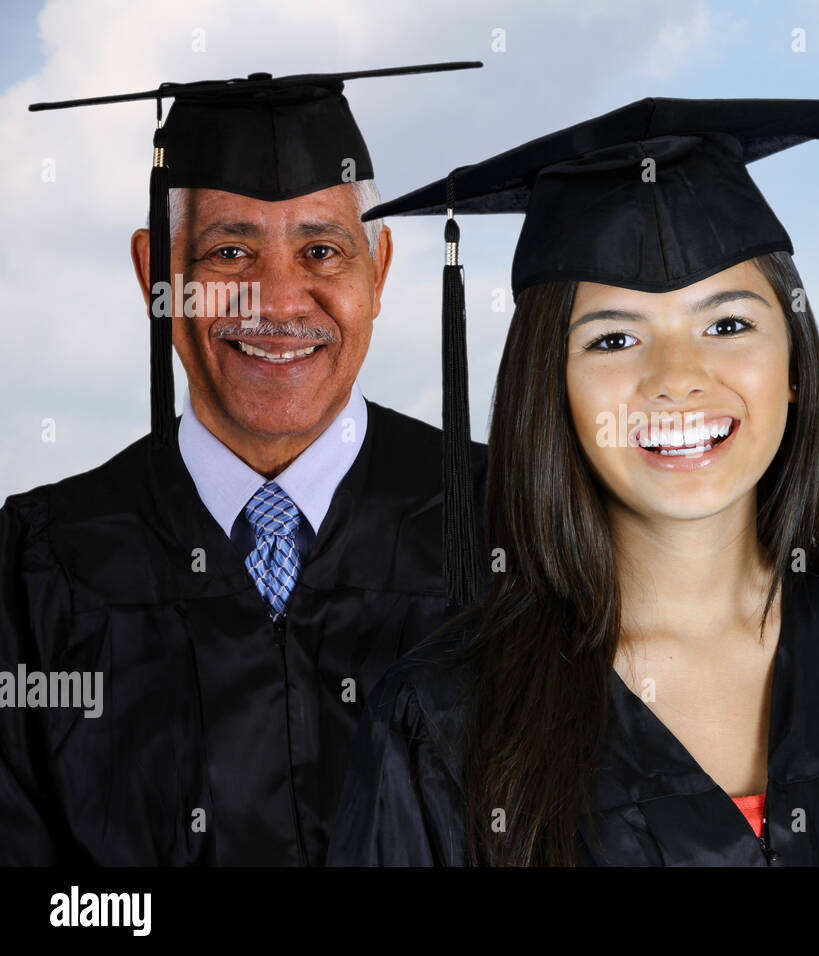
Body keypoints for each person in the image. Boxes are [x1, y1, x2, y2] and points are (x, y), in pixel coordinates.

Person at [328, 97, 819, 866]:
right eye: (615, 339)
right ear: (549, 389)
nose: (678, 378)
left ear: (794, 365)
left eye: (727, 325)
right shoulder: (444, 718)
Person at [0, 63, 489, 865]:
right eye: (229, 252)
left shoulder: (511, 520)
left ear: (379, 270)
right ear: (157, 276)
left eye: (323, 250)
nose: (280, 300)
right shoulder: (36, 568)